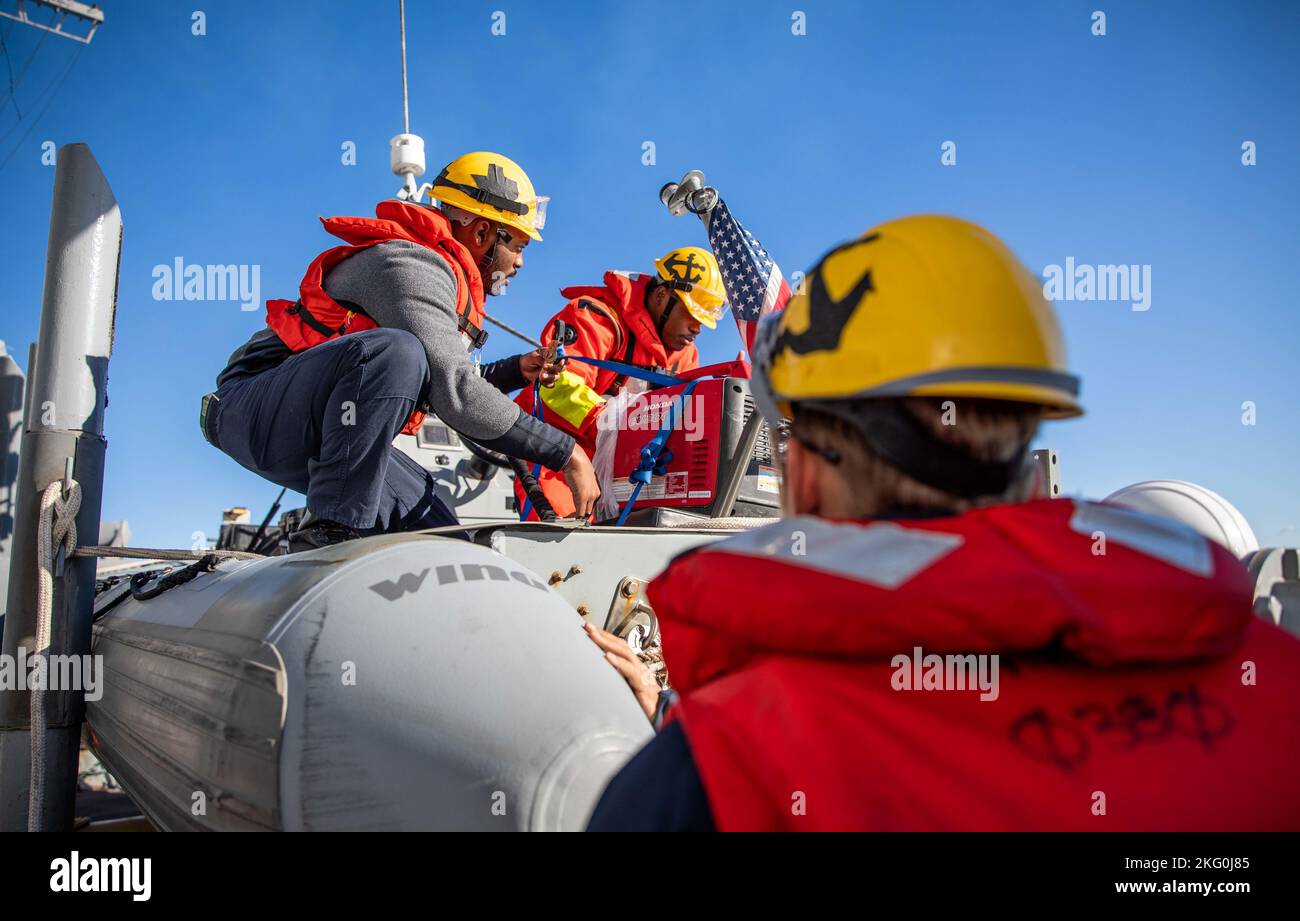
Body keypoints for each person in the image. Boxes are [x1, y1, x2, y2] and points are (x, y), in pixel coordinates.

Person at [587, 214, 1300, 831]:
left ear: (799, 475)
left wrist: (670, 720)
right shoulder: (1274, 684)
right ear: (1028, 466)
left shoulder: (705, 781)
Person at [202, 152, 599, 549]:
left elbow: (440, 382)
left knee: (445, 542)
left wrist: (516, 369)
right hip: (250, 408)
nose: (521, 263)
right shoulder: (411, 265)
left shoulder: (437, 275)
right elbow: (454, 392)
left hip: (322, 425)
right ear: (481, 234)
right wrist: (567, 454)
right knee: (398, 351)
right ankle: (330, 535)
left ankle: (350, 540)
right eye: (519, 245)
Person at [513, 247, 726, 520]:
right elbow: (556, 383)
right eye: (692, 315)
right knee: (563, 538)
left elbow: (685, 419)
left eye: (703, 321)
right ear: (662, 296)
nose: (698, 328)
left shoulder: (684, 356)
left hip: (630, 468)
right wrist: (617, 427)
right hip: (557, 451)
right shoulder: (595, 317)